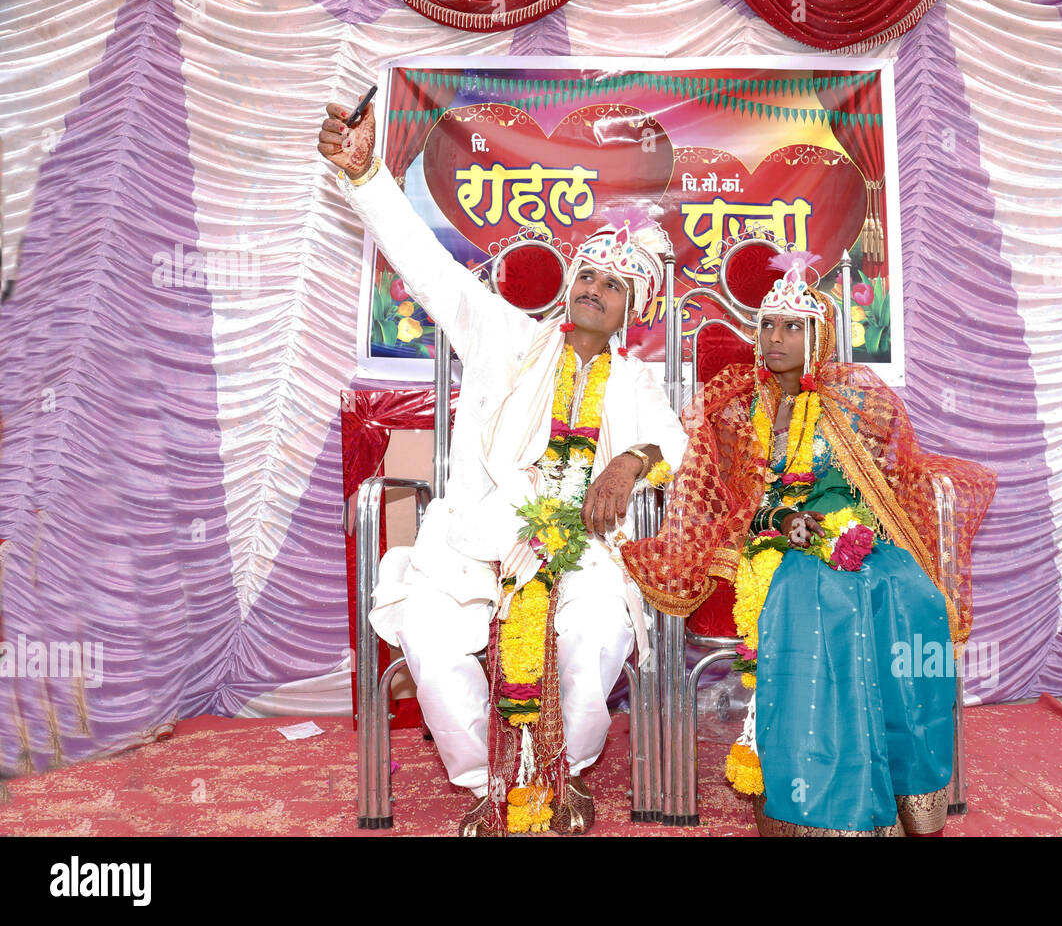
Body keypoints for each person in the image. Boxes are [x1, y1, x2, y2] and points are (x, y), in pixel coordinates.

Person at [317, 95, 688, 836]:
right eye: (586, 276)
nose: (592, 289)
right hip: (477, 539)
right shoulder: (506, 338)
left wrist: (629, 460)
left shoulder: (640, 382)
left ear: (629, 310)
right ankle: (495, 785)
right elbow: (429, 270)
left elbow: (671, 446)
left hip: (582, 545)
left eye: (612, 286)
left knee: (596, 637)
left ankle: (565, 773)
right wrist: (366, 179)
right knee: (426, 632)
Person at [623, 253, 997, 836]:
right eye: (767, 325)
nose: (774, 338)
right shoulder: (737, 405)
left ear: (818, 336)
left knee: (911, 595)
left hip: (853, 532)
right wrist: (780, 519)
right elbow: (726, 501)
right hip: (774, 541)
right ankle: (829, 803)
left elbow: (888, 481)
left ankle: (907, 786)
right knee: (822, 598)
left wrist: (854, 530)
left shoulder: (855, 397)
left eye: (791, 327)